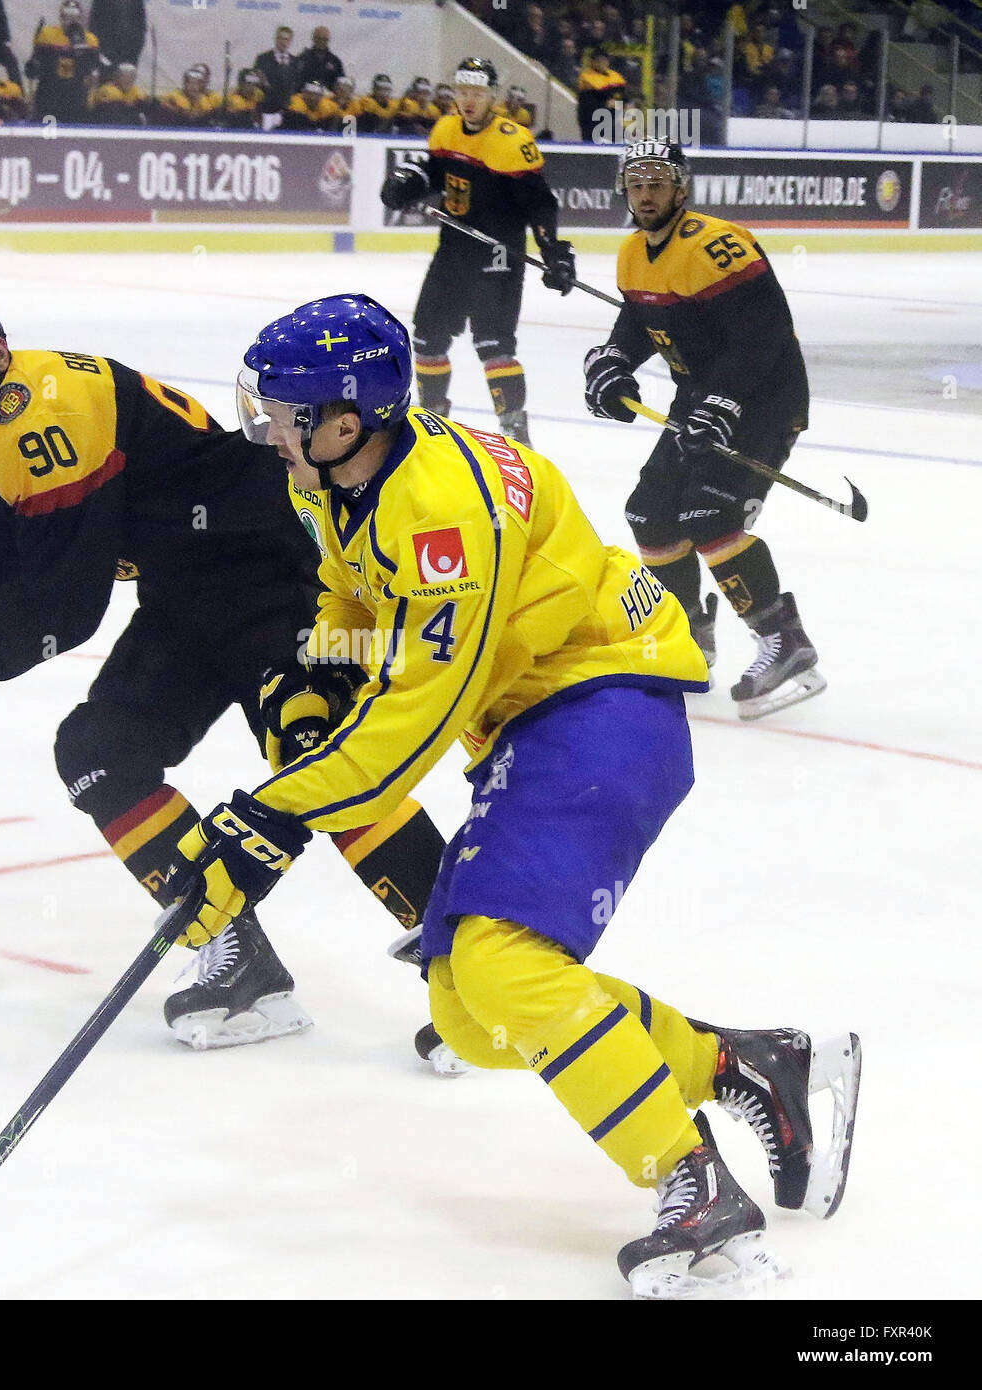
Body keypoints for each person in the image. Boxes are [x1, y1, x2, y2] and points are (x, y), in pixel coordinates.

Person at [168, 292, 861, 1296]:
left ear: (344, 421)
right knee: (470, 1011)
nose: (264, 426)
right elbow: (353, 589)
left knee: (498, 962)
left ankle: (694, 1184)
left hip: (607, 698)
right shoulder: (333, 477)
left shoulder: (444, 515)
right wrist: (320, 669)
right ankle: (748, 1064)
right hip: (542, 715)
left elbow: (412, 723)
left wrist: (272, 815)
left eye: (280, 412)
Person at [0, 276, 452, 1058]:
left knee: (312, 753)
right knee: (98, 752)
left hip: (269, 573)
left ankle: (473, 965)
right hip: (185, 593)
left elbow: (62, 605)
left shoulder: (43, 407)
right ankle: (235, 956)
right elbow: (11, 521)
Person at [582, 140, 825, 720]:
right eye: (636, 182)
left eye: (657, 182)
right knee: (650, 515)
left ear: (680, 188)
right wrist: (614, 361)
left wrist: (724, 402)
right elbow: (639, 321)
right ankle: (686, 637)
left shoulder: (718, 245)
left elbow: (763, 337)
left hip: (764, 399)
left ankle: (784, 641)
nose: (645, 193)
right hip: (702, 398)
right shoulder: (631, 254)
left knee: (710, 516)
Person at [379, 57, 575, 447]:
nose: (469, 100)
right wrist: (411, 182)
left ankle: (514, 427)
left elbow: (539, 203)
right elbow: (436, 174)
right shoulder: (446, 128)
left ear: (492, 96)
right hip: (453, 251)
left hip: (498, 254)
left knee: (493, 344)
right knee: (428, 338)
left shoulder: (511, 141)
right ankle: (434, 421)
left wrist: (554, 251)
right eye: (463, 92)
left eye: (478, 93)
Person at [27, 0, 100, 124]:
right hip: (49, 96)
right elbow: (33, 69)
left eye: (75, 17)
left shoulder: (90, 40)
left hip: (75, 98)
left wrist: (79, 47)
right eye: (67, 16)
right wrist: (33, 65)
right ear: (61, 17)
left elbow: (93, 71)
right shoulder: (47, 35)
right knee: (46, 136)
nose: (71, 21)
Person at [253, 24, 299, 115]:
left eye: (286, 39)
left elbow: (296, 85)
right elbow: (258, 82)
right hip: (266, 105)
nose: (283, 42)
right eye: (280, 38)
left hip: (287, 108)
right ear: (275, 39)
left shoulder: (295, 62)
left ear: (290, 41)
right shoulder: (262, 59)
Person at [295, 25, 343, 93]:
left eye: (325, 39)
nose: (321, 41)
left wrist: (328, 87)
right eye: (319, 38)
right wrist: (317, 84)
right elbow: (298, 81)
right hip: (306, 97)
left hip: (328, 99)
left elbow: (340, 82)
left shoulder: (335, 61)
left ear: (328, 40)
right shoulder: (302, 58)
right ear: (313, 39)